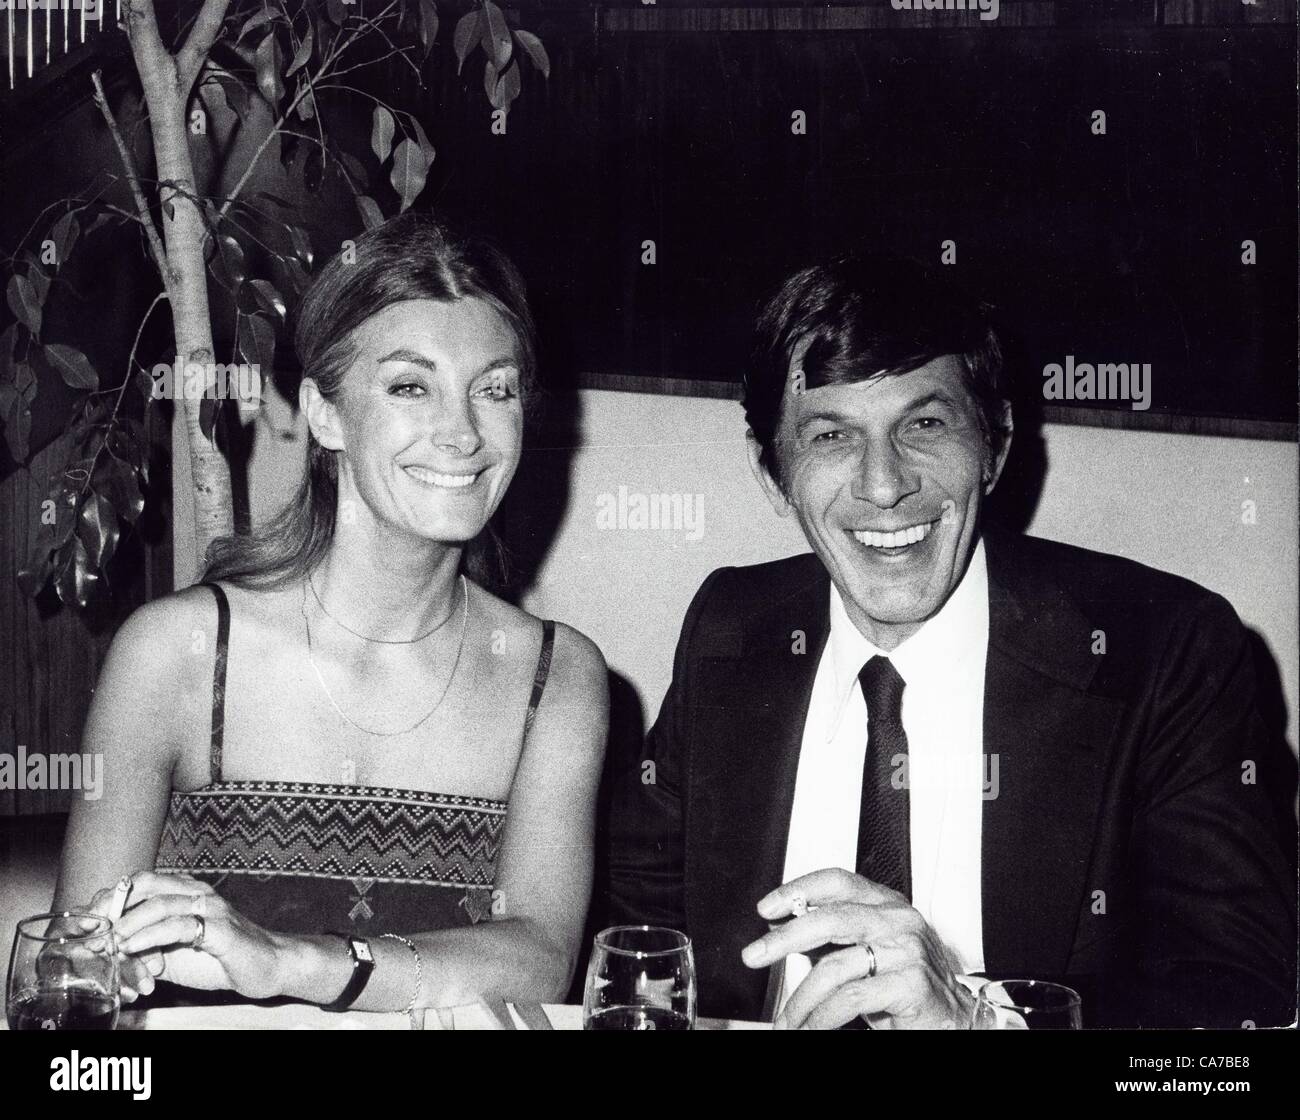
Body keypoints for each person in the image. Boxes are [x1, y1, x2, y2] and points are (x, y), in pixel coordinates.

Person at [603, 252, 1296, 1029]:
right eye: (831, 435)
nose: (884, 484)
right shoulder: (730, 630)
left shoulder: (1165, 651)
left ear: (995, 445)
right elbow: (629, 932)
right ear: (773, 475)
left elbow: (1236, 1005)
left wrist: (975, 1017)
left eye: (924, 425)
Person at [53, 213, 609, 1014]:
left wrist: (287, 961)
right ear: (324, 414)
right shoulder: (178, 653)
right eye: (411, 386)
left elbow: (541, 959)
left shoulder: (556, 675)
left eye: (495, 389)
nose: (462, 433)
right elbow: (80, 974)